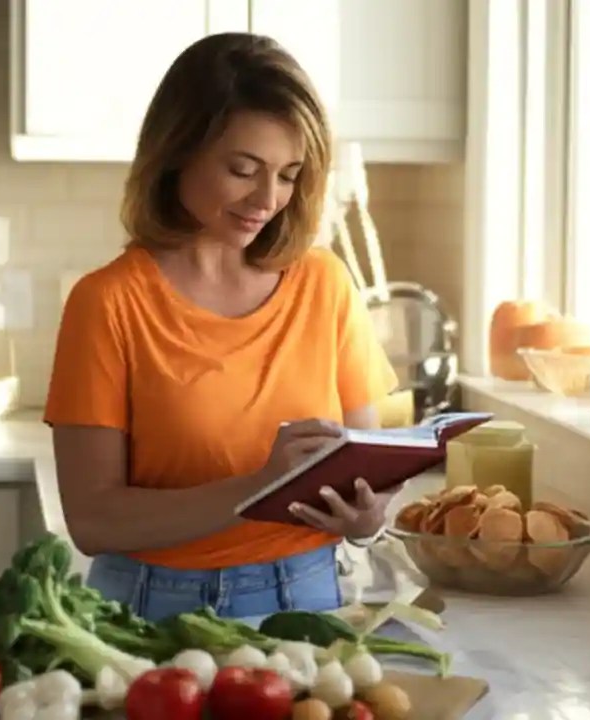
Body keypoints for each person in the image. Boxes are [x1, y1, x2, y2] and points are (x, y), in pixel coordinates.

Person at [42, 32, 400, 622]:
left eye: (288, 174)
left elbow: (368, 472)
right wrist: (263, 485)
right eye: (243, 169)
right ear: (178, 149)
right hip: (156, 611)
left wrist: (365, 518)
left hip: (313, 599)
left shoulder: (324, 281)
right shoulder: (107, 303)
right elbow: (93, 520)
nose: (268, 198)